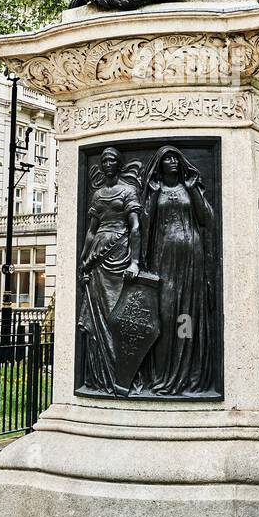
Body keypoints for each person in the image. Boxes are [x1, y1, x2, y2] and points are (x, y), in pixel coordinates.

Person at [140, 145, 215, 395]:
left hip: (190, 260)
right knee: (165, 315)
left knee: (186, 316)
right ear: (159, 164)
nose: (171, 161)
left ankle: (187, 374)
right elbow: (144, 226)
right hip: (163, 261)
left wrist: (193, 189)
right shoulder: (155, 190)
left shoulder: (188, 188)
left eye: (175, 157)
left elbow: (206, 219)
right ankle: (162, 377)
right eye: (166, 158)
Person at [78, 147, 142, 395]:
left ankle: (126, 374)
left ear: (119, 164)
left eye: (112, 160)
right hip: (98, 257)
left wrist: (135, 261)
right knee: (99, 316)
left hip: (120, 253)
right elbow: (92, 230)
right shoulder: (97, 195)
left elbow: (135, 227)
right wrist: (85, 258)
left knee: (120, 315)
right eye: (103, 160)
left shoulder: (128, 191)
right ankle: (103, 376)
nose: (107, 164)